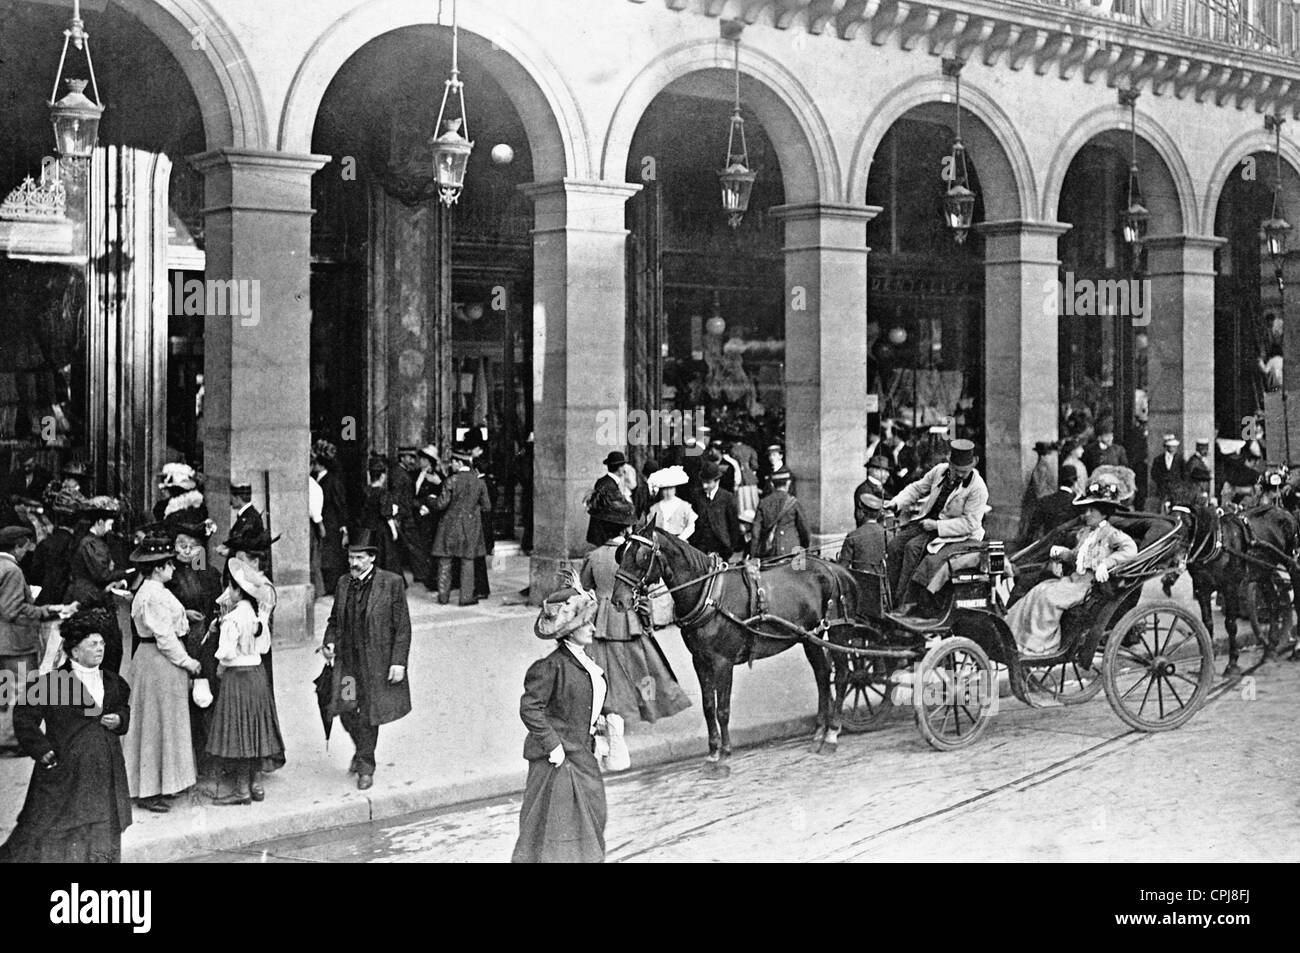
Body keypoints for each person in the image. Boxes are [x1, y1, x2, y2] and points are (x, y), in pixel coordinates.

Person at [0, 609, 132, 863]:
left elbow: (122, 709)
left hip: (105, 777)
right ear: (73, 651)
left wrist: (119, 720)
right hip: (65, 777)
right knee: (55, 840)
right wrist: (41, 749)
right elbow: (24, 717)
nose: (100, 648)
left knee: (103, 839)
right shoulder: (50, 684)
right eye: (92, 643)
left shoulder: (115, 683)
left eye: (102, 643)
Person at [513, 584, 616, 864]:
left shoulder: (587, 661)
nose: (593, 629)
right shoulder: (551, 666)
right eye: (587, 623)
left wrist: (605, 718)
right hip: (556, 762)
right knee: (555, 833)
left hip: (582, 755)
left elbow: (585, 698)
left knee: (592, 817)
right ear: (570, 630)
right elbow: (530, 707)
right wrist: (553, 745)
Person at [580, 496, 690, 724]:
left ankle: (605, 711)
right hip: (628, 617)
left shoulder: (593, 556)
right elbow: (642, 589)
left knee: (602, 666)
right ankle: (642, 708)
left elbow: (585, 587)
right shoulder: (634, 553)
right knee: (640, 665)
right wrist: (647, 619)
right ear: (627, 528)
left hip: (600, 618)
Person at [1005, 481, 1137, 658]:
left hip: (1088, 585)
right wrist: (1062, 553)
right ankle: (1019, 639)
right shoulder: (1084, 533)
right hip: (1074, 580)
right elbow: (1077, 557)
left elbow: (1130, 549)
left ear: (1104, 513)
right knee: (1038, 590)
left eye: (1091, 510)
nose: (1086, 514)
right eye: (1086, 509)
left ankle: (1042, 646)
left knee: (1049, 597)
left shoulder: (1111, 534)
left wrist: (1107, 563)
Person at [322, 533, 412, 790]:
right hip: (349, 665)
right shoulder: (343, 583)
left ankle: (366, 766)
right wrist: (329, 642)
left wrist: (398, 662)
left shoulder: (391, 583)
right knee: (346, 709)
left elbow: (402, 627)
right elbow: (334, 621)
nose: (354, 563)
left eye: (360, 558)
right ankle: (362, 750)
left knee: (369, 715)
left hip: (376, 665)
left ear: (372, 558)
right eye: (351, 557)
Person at [122, 534, 202, 813]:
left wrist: (184, 615)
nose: (174, 568)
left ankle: (160, 784)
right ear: (158, 567)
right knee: (156, 725)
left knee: (159, 723)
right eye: (169, 563)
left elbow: (165, 621)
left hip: (154, 661)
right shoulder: (153, 594)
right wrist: (188, 662)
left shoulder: (154, 590)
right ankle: (149, 789)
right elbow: (164, 638)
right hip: (158, 662)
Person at [206, 556, 284, 805]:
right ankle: (256, 784)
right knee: (257, 727)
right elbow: (263, 647)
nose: (229, 592)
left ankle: (241, 790)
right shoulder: (259, 619)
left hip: (237, 677)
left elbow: (226, 653)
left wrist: (219, 662)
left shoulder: (231, 620)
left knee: (238, 731)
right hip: (257, 676)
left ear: (239, 591)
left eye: (231, 588)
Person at [885, 438, 988, 615]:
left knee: (912, 548)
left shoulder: (978, 488)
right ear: (949, 464)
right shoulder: (940, 471)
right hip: (927, 523)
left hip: (956, 534)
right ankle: (889, 596)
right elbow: (917, 489)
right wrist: (896, 503)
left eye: (964, 471)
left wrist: (937, 526)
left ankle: (906, 602)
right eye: (956, 470)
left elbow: (970, 524)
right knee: (894, 546)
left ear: (973, 465)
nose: (960, 474)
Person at [0, 526, 75, 753]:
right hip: (16, 641)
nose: (26, 553)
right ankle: (13, 739)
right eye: (25, 547)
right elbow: (11, 609)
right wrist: (44, 610)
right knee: (20, 690)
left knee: (5, 690)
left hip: (3, 640)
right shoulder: (12, 570)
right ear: (19, 545)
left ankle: (5, 735)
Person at [166, 519, 224, 782]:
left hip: (205, 644)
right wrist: (182, 613)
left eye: (192, 546)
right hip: (179, 645)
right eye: (181, 545)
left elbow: (217, 606)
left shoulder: (209, 574)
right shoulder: (170, 575)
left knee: (205, 702)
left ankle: (207, 762)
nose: (186, 551)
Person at [431, 447, 492, 606]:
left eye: (452, 462)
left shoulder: (451, 480)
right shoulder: (479, 482)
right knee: (467, 560)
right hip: (470, 526)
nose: (451, 465)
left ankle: (443, 597)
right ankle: (466, 598)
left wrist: (430, 500)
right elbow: (487, 506)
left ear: (459, 462)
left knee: (445, 560)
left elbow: (441, 504)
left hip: (449, 526)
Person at [64, 497, 130, 609]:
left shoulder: (89, 541)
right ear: (100, 522)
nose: (109, 529)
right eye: (109, 524)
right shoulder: (91, 543)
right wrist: (125, 573)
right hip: (86, 595)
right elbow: (102, 575)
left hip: (85, 592)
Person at [27, 490, 80, 607]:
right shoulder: (78, 545)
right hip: (70, 604)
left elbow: (34, 574)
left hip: (45, 603)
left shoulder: (45, 544)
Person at [312, 439, 350, 588]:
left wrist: (343, 525)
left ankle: (333, 584)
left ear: (320, 464)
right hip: (325, 522)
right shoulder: (318, 480)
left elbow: (340, 503)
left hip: (332, 523)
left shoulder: (333, 481)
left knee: (332, 555)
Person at [689, 461, 743, 562]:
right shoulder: (697, 496)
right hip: (700, 547)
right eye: (703, 482)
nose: (704, 486)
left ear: (717, 481)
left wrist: (732, 548)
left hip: (722, 547)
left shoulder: (727, 497)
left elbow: (734, 525)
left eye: (708, 482)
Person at [359, 456, 404, 575]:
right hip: (381, 531)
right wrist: (394, 531)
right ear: (383, 476)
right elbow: (386, 514)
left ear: (370, 475)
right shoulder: (384, 493)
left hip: (367, 530)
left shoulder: (365, 492)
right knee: (386, 559)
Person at [750, 469, 809, 558]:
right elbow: (804, 530)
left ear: (772, 484)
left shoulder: (763, 502)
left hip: (770, 549)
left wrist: (753, 554)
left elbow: (755, 533)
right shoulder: (794, 503)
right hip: (792, 548)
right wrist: (806, 548)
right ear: (788, 483)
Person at [409, 445, 444, 592]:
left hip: (433, 516)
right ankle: (421, 573)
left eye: (424, 459)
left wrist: (430, 508)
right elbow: (411, 494)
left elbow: (443, 495)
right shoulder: (415, 474)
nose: (421, 461)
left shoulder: (439, 476)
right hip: (419, 515)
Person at [1024, 465, 1082, 544]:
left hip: (1048, 546)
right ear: (1075, 482)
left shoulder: (1046, 501)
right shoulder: (1078, 502)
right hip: (1071, 547)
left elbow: (1032, 529)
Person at [587, 451, 630, 546]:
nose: (624, 469)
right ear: (619, 468)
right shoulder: (609, 485)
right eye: (623, 466)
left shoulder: (603, 482)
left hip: (601, 533)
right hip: (606, 535)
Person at [838, 493, 887, 573]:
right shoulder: (888, 534)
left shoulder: (853, 536)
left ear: (862, 512)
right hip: (883, 584)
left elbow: (842, 568)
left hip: (861, 582)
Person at [647, 465, 696, 540]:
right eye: (665, 489)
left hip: (679, 541)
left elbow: (691, 526)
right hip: (660, 542)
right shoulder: (654, 508)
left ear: (675, 489)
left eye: (671, 488)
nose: (668, 492)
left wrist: (680, 538)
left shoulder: (684, 506)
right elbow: (648, 526)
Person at [1148, 433, 1187, 510]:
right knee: (1162, 508)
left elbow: (1184, 474)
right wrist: (1161, 481)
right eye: (1171, 446)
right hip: (1162, 490)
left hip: (1176, 490)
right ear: (1166, 447)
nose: (1173, 449)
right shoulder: (1158, 459)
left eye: (1175, 447)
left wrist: (1179, 485)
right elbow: (1154, 473)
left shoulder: (1180, 460)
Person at [854, 455, 892, 527]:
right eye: (885, 471)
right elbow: (863, 518)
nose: (888, 474)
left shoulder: (882, 488)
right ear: (876, 471)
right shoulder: (864, 490)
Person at [1186, 438, 1213, 502]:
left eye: (1207, 448)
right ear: (1198, 448)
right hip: (1196, 493)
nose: (1206, 450)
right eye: (1204, 448)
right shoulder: (1193, 461)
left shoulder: (1204, 460)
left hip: (1203, 492)